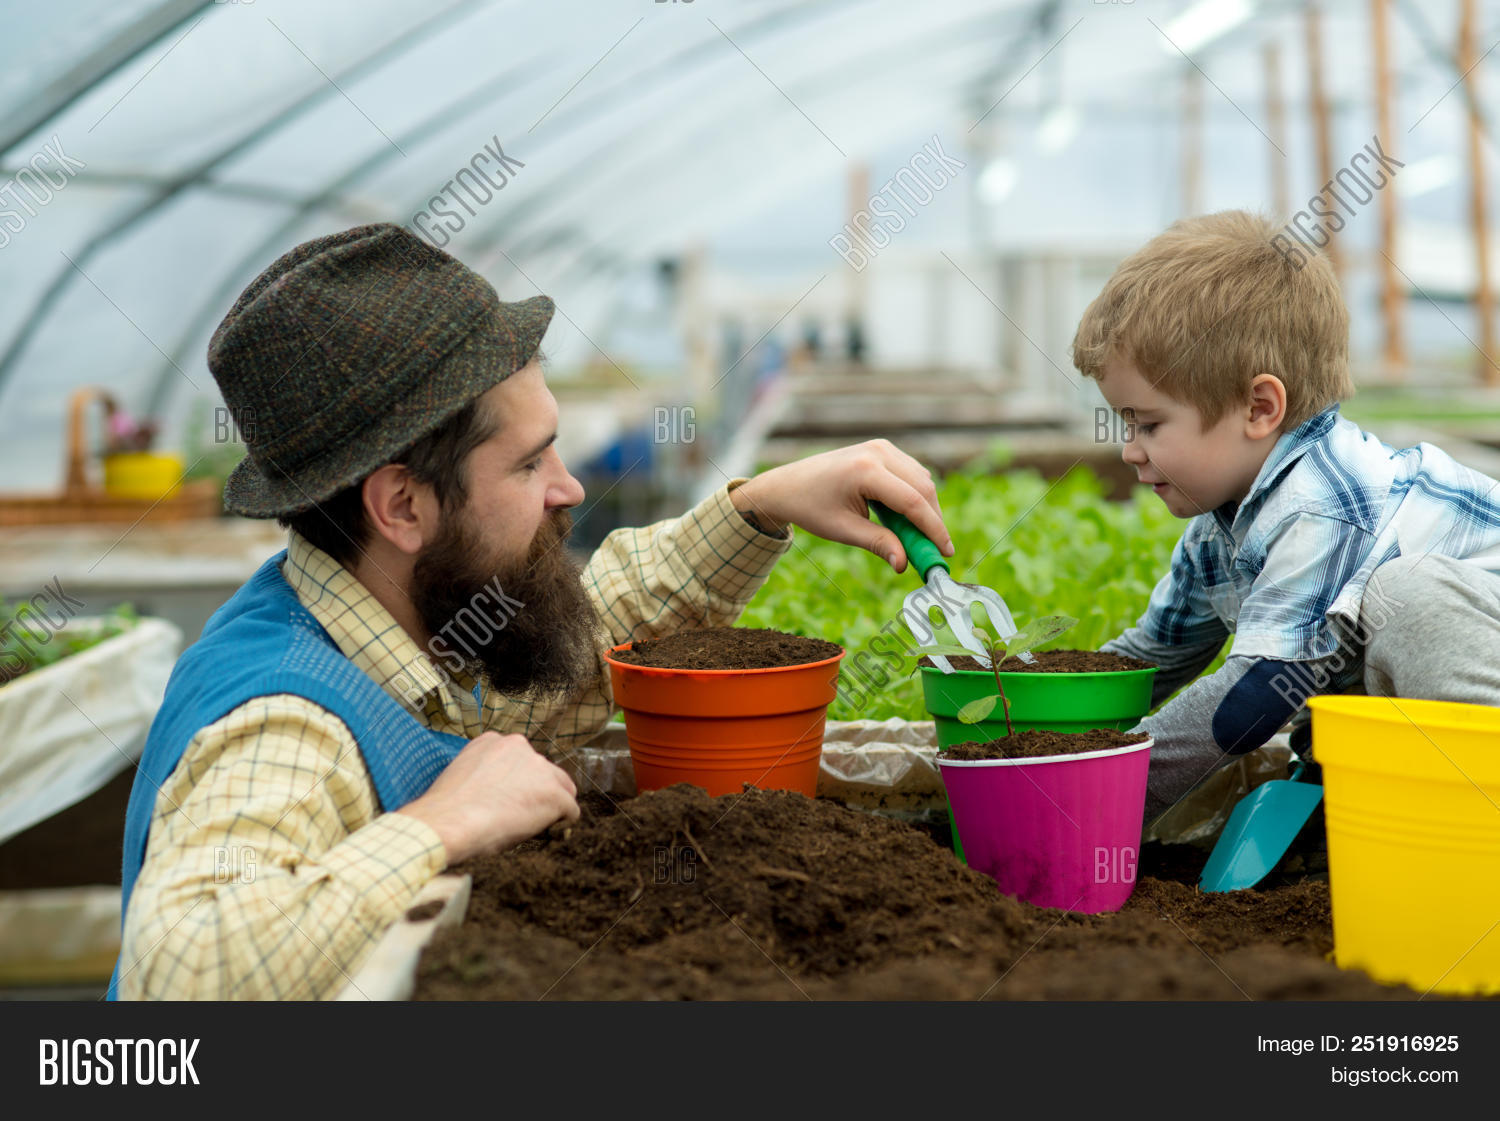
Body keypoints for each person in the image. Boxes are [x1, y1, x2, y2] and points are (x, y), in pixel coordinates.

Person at [112, 223, 954, 999]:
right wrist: (444, 822)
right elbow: (179, 970)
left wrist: (759, 506)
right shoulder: (284, 727)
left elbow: (577, 646)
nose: (570, 487)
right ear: (402, 506)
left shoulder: (406, 627)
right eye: (529, 463)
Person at [1073, 210, 1500, 824]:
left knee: (1410, 597)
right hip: (1430, 729)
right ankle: (1399, 816)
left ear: (1259, 408)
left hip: (1477, 707)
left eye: (1149, 424)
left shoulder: (1323, 501)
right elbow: (1154, 657)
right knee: (1325, 722)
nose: (1128, 450)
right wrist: (1030, 715)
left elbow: (1257, 695)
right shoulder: (1216, 534)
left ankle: (1472, 820)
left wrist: (1104, 796)